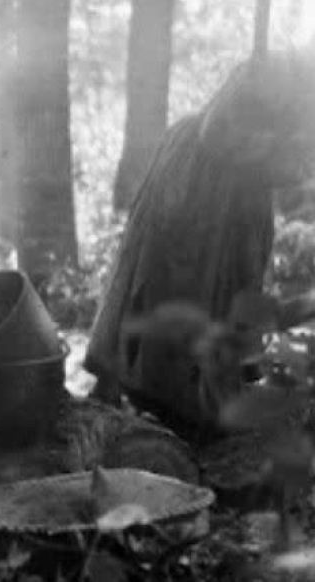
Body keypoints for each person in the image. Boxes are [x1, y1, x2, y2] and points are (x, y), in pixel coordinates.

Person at [84, 50, 315, 441]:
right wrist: (282, 154)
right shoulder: (278, 76)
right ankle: (176, 404)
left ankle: (173, 396)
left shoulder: (287, 79)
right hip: (209, 190)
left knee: (195, 293)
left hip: (213, 182)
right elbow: (226, 136)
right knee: (187, 291)